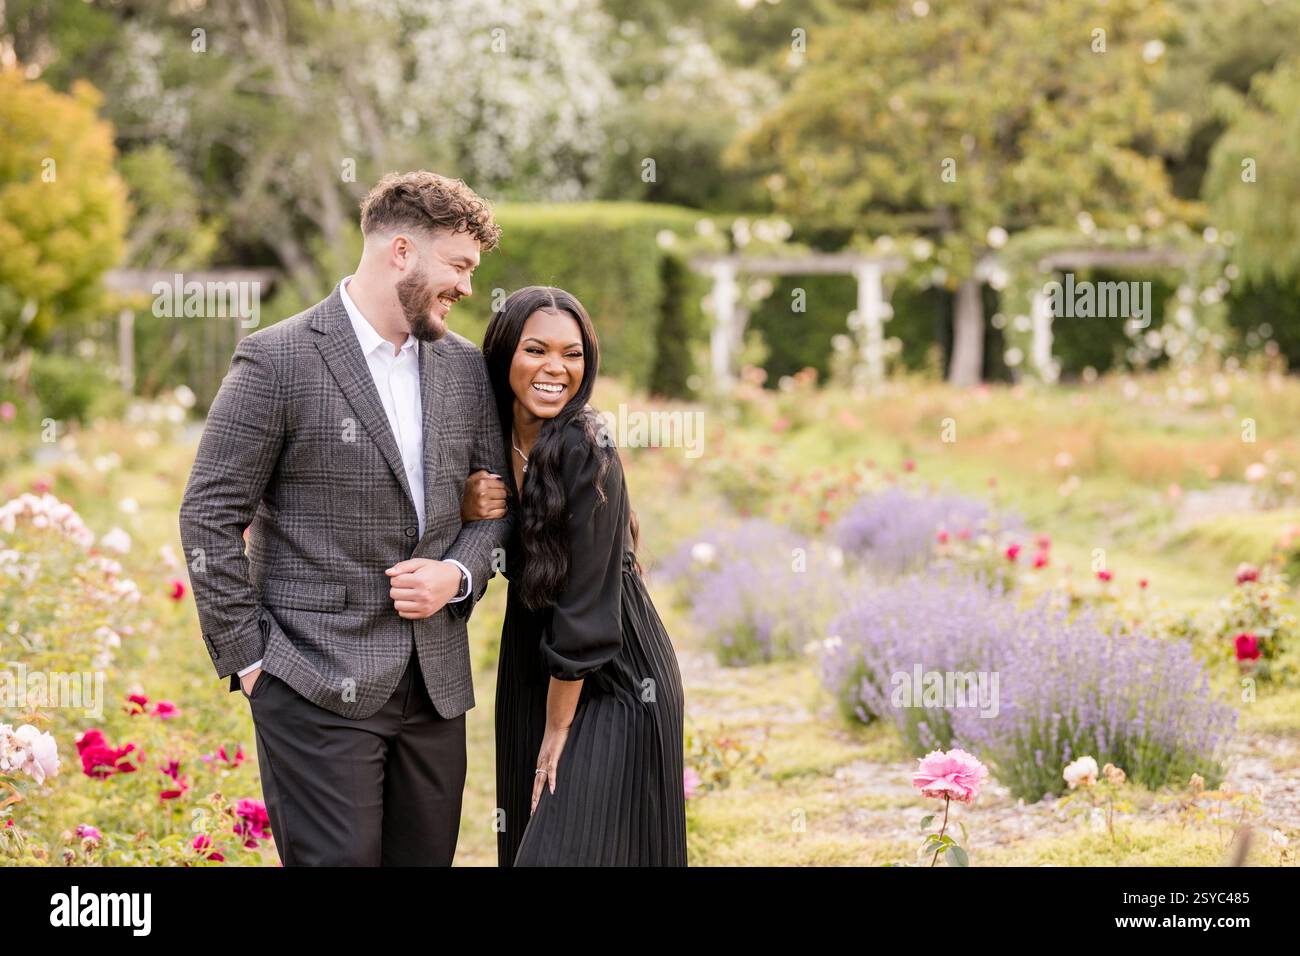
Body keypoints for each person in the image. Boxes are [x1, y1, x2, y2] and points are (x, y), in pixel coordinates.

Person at [179, 170, 513, 865]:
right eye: (458, 266)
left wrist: (457, 573)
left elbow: (497, 508)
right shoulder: (277, 360)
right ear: (400, 252)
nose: (467, 287)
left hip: (435, 689)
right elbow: (209, 514)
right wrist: (249, 660)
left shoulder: (465, 368)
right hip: (310, 684)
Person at [461, 285, 688, 866]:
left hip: (614, 667)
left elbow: (586, 605)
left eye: (573, 354)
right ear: (505, 352)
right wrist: (465, 507)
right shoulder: (487, 433)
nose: (555, 369)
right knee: (528, 839)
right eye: (536, 350)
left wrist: (557, 728)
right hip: (531, 657)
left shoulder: (587, 445)